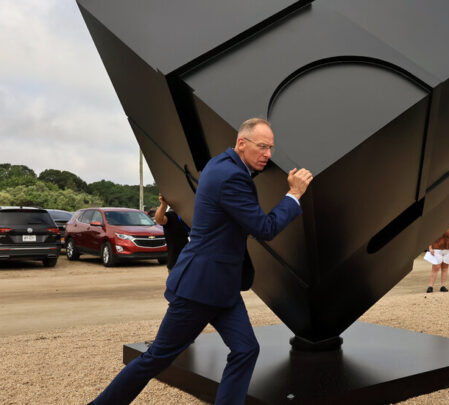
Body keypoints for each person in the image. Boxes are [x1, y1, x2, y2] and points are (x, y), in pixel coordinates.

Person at [88, 118, 313, 404]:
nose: (268, 154)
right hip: (200, 288)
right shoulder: (231, 176)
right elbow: (264, 228)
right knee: (156, 358)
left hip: (223, 287)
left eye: (271, 148)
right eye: (262, 147)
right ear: (242, 143)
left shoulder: (221, 165)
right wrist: (294, 194)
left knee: (245, 350)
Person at [154, 193, 190, 272]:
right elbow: (159, 220)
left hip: (195, 264)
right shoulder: (172, 216)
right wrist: (163, 205)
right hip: (176, 264)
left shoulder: (197, 216)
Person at [426, 226, 449, 293]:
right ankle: (430, 286)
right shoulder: (436, 226)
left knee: (445, 268)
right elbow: (430, 237)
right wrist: (430, 248)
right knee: (436, 268)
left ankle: (443, 286)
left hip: (448, 250)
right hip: (437, 249)